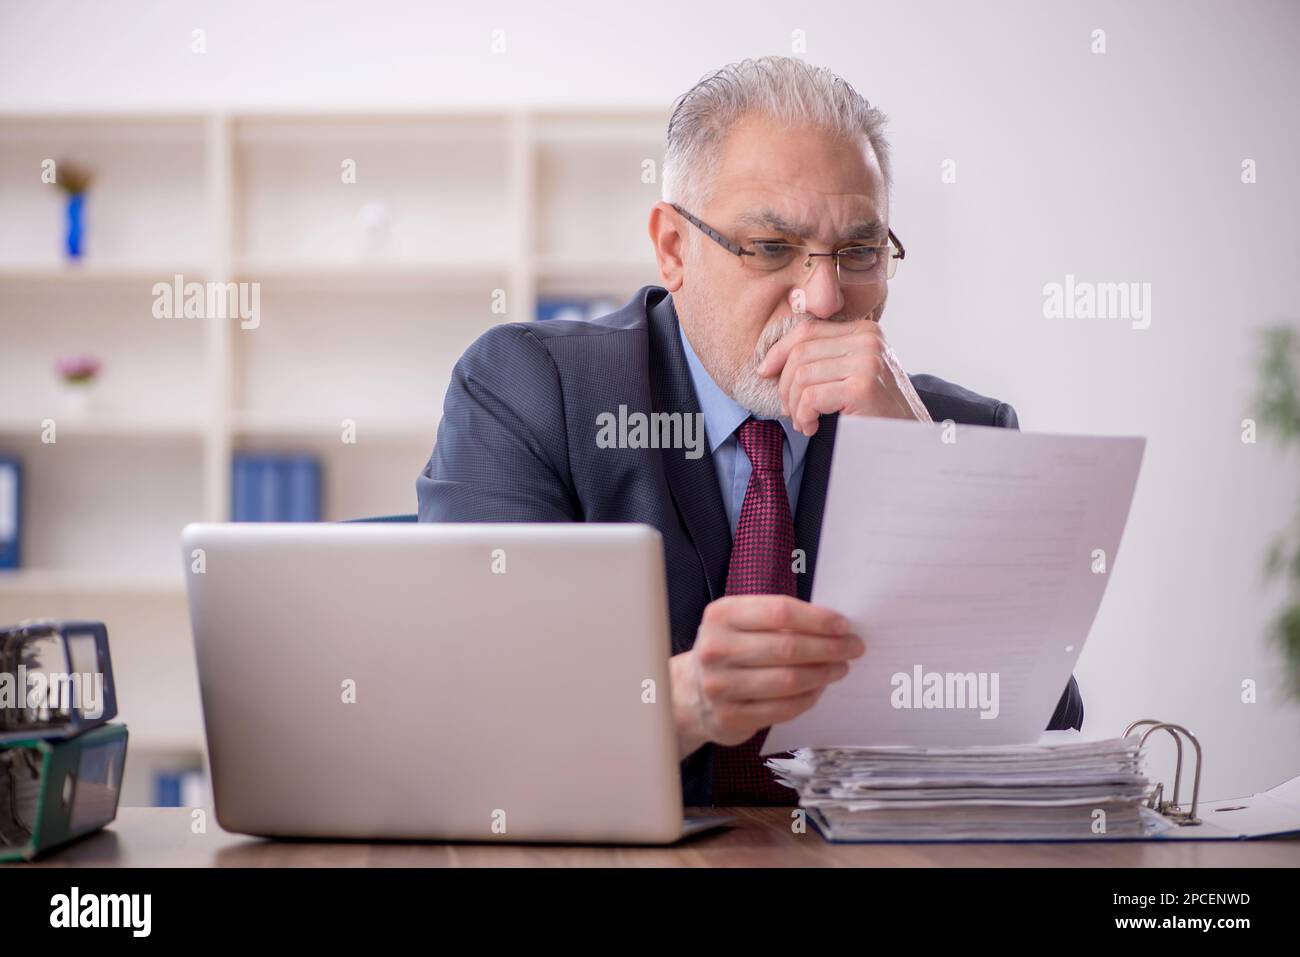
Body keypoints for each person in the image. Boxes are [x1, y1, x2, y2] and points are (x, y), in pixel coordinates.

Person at [418, 56, 1083, 807]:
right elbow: (474, 719)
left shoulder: (961, 434)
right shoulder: (532, 391)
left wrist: (920, 472)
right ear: (673, 248)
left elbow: (1046, 731)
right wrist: (684, 702)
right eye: (771, 249)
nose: (825, 298)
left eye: (859, 252)